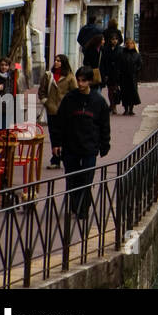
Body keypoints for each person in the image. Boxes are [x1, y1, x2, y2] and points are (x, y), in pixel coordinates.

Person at [52, 66, 110, 225]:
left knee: (87, 178)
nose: (80, 83)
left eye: (84, 80)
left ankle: (83, 207)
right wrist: (56, 143)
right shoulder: (70, 99)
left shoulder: (98, 101)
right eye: (78, 80)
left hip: (90, 146)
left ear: (90, 81)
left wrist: (105, 144)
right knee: (72, 177)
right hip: (71, 145)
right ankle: (76, 204)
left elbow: (104, 124)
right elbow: (60, 121)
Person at [39, 55, 77, 168]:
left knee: (64, 135)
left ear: (64, 63)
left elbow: (74, 93)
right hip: (51, 110)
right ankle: (55, 160)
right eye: (55, 60)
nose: (56, 62)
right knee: (54, 134)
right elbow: (42, 91)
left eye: (59, 61)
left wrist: (69, 106)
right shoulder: (48, 75)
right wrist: (46, 102)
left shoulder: (70, 77)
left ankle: (63, 157)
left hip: (65, 111)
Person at [100, 29, 124, 110]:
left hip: (117, 72)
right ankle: (112, 104)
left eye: (116, 39)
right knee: (110, 90)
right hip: (109, 72)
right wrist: (105, 73)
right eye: (113, 39)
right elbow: (104, 61)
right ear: (110, 40)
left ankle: (114, 105)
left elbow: (122, 62)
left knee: (115, 89)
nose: (114, 41)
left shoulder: (121, 49)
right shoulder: (106, 49)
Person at [119, 39, 142, 116]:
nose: (129, 45)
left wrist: (136, 71)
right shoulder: (122, 53)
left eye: (131, 43)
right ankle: (125, 109)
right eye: (128, 43)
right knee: (124, 92)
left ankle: (131, 109)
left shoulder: (137, 54)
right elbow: (119, 64)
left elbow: (140, 64)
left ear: (133, 44)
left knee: (133, 92)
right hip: (124, 76)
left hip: (133, 77)